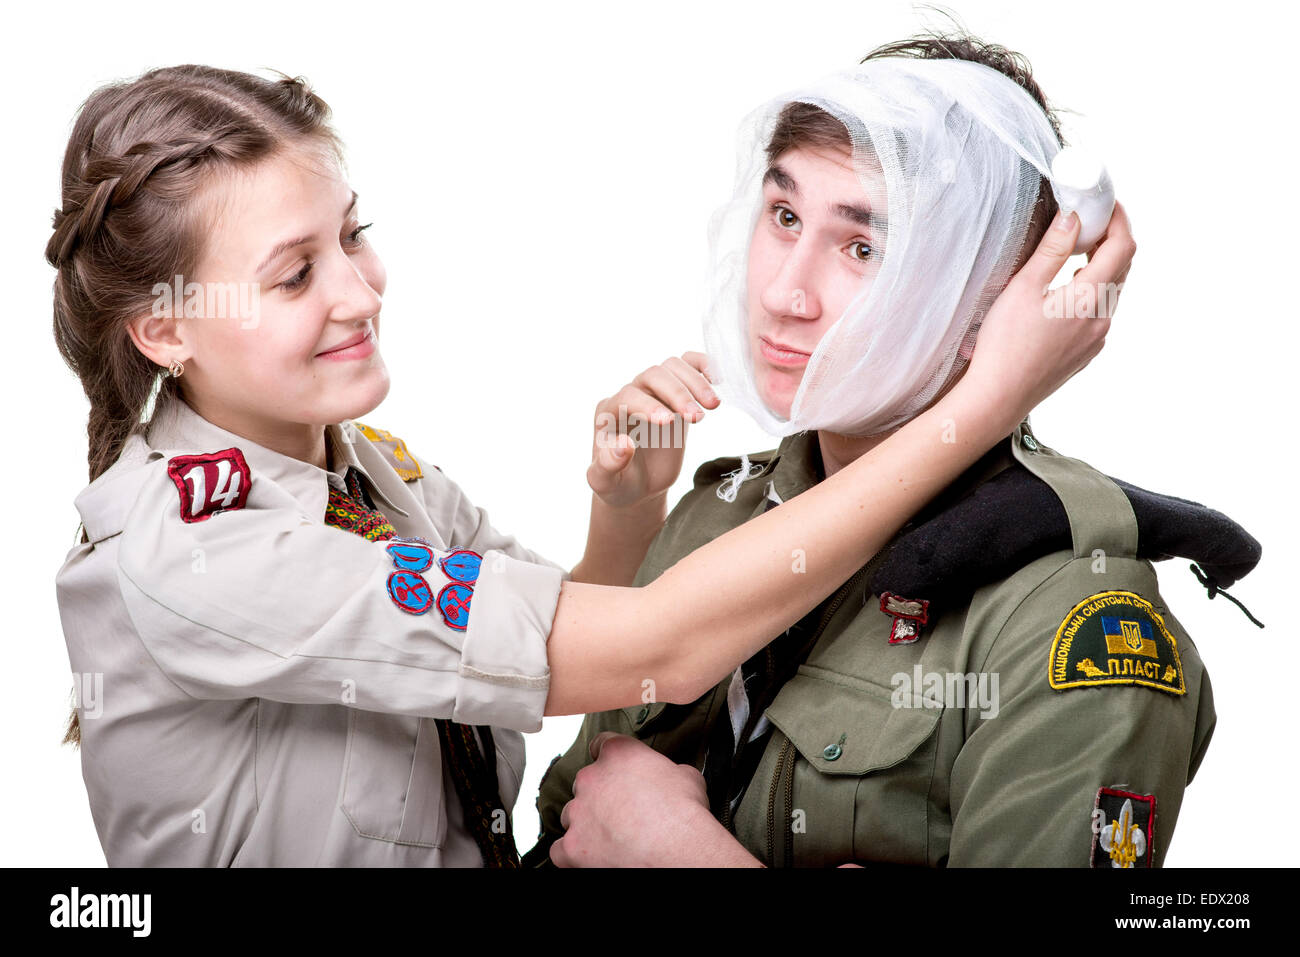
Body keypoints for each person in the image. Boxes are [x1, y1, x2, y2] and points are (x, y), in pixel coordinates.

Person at [48, 64, 1109, 867]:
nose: (363, 292)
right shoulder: (198, 546)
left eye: (352, 236)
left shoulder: (368, 474)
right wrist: (989, 401)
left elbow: (541, 659)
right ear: (164, 332)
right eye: (293, 277)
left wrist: (627, 512)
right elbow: (661, 648)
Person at [528, 33, 1261, 868]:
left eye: (862, 247)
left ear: (999, 296)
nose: (783, 292)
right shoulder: (715, 519)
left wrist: (681, 855)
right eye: (785, 215)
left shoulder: (1071, 616)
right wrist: (626, 520)